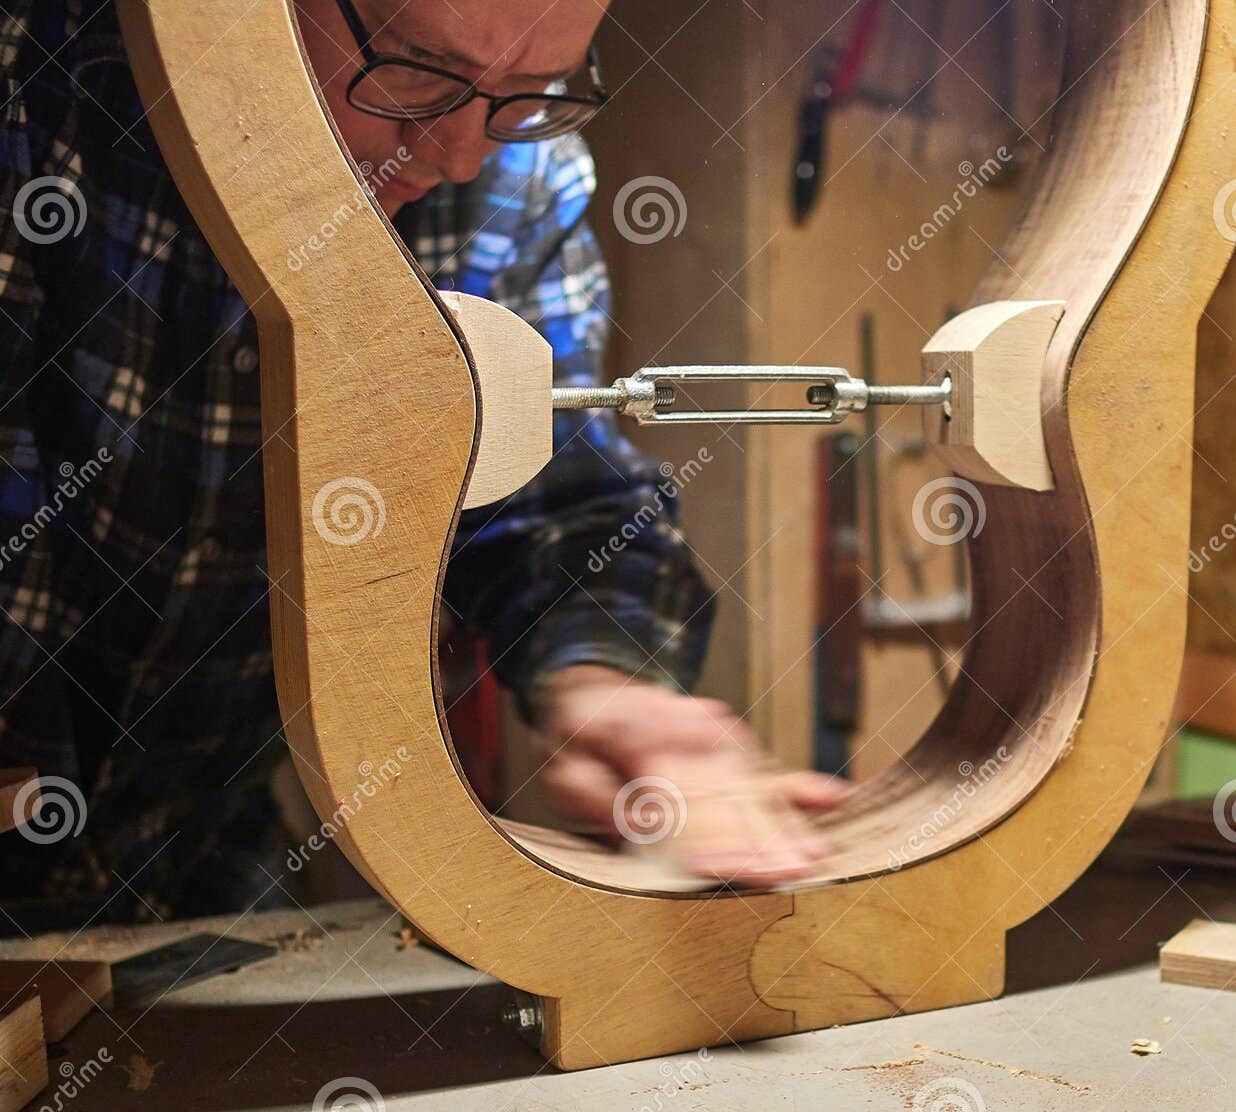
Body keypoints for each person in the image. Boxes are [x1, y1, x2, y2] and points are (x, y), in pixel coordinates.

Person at [0, 0, 845, 930]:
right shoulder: (36, 79)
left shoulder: (516, 178)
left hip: (187, 878)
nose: (457, 154)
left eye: (529, 92)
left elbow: (552, 501)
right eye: (416, 69)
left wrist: (602, 682)